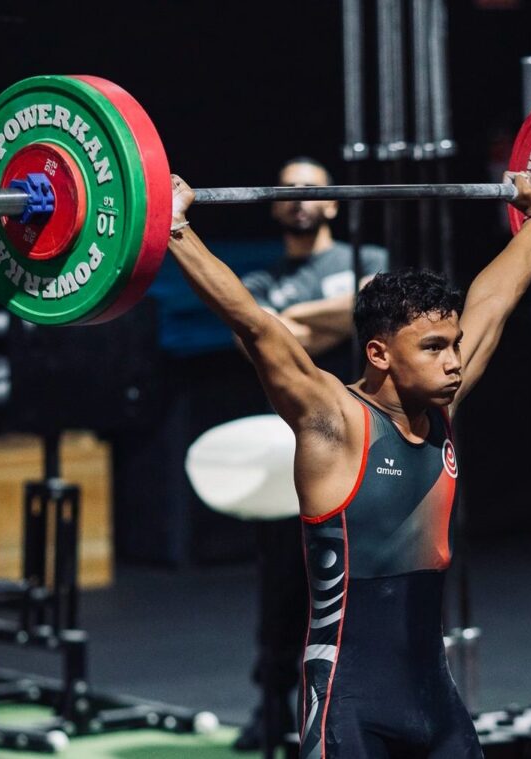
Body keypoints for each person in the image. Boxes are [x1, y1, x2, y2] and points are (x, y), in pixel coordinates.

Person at [168, 169, 531, 757]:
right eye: (434, 348)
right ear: (379, 354)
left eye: (453, 346)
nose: (454, 361)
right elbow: (254, 324)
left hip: (437, 704)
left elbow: (494, 302)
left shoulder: (439, 402)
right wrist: (175, 229)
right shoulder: (333, 420)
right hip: (350, 709)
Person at [233, 158, 388, 751]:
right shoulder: (259, 278)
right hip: (293, 454)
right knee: (283, 585)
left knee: (367, 582)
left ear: (333, 203)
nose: (300, 200)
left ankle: (361, 708)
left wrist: (287, 323)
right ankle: (272, 706)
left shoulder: (367, 261)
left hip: (366, 444)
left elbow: (372, 313)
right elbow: (262, 342)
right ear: (275, 207)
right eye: (288, 192)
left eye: (312, 191)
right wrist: (343, 316)